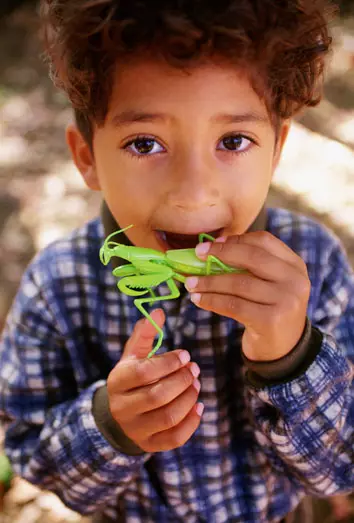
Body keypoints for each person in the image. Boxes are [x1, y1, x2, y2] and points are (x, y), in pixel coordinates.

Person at [0, 1, 353, 522]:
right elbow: (29, 452)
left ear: (276, 149)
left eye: (233, 141)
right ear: (87, 158)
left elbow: (339, 470)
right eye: (146, 143)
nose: (192, 194)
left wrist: (291, 355)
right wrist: (108, 425)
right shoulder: (55, 288)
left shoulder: (315, 263)